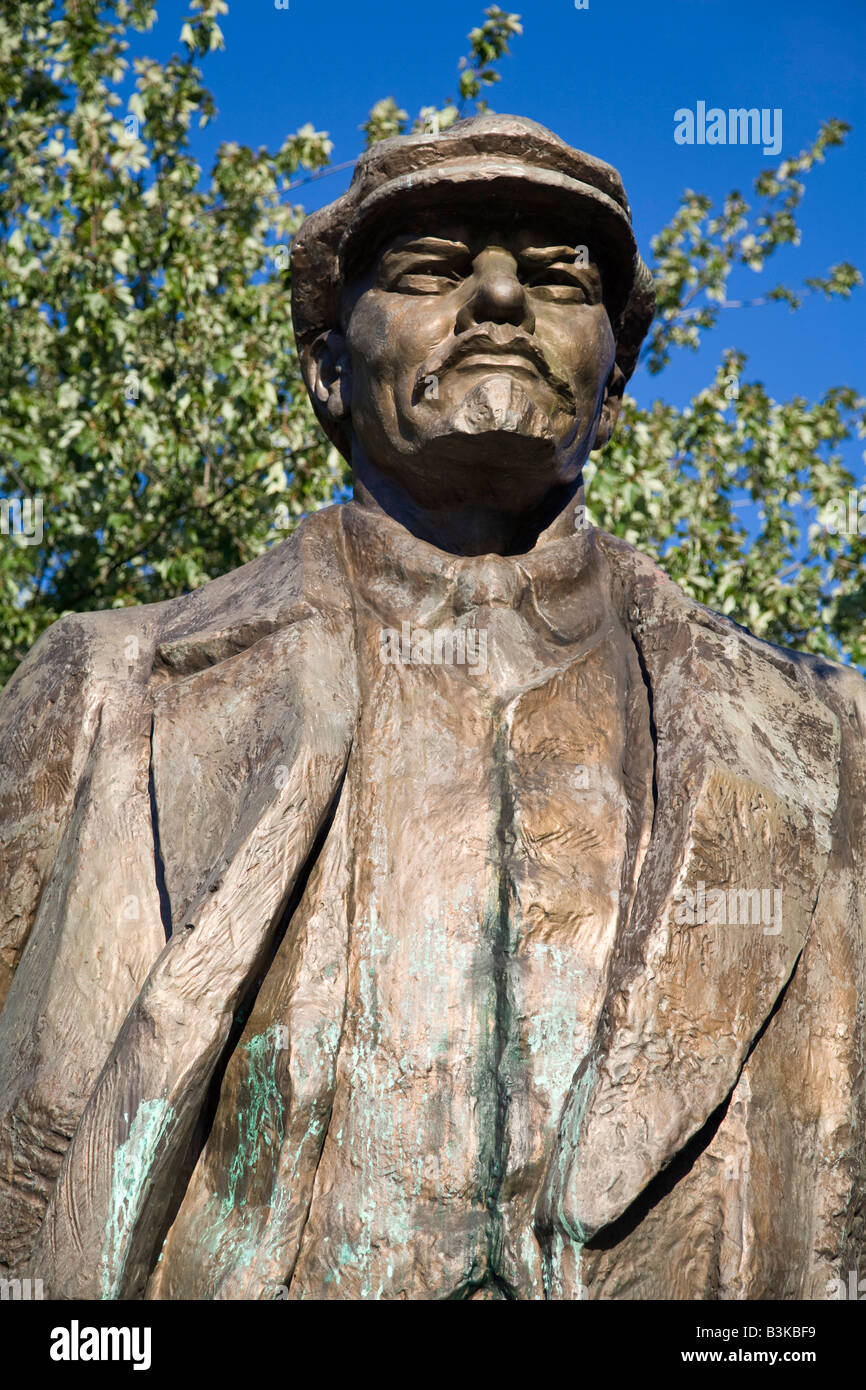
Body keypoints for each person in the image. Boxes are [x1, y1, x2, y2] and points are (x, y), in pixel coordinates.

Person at [1, 115, 863, 1301]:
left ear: (611, 391)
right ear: (325, 372)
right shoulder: (111, 687)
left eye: (558, 277)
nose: (502, 297)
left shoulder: (826, 739)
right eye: (431, 267)